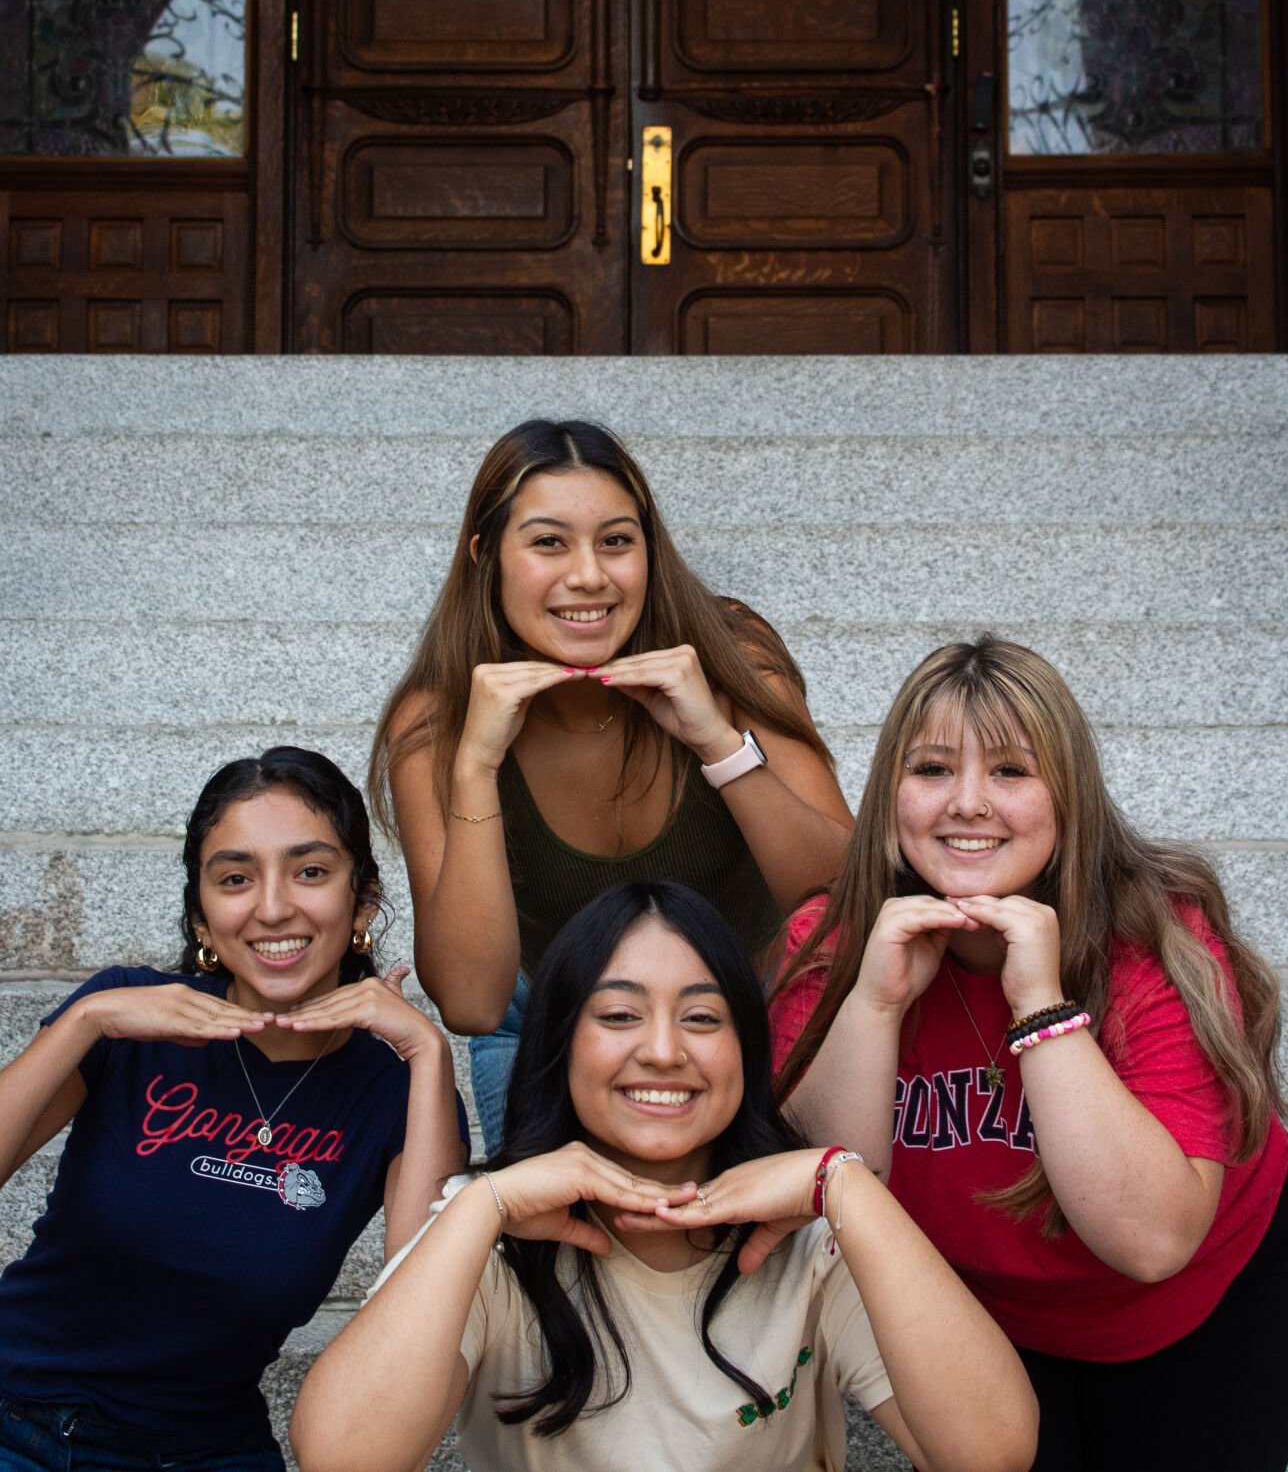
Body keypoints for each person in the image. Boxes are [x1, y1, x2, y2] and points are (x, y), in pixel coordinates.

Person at [290, 880, 1038, 1472]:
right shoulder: (485, 1229)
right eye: (618, 1016)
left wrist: (846, 1186)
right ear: (559, 1044)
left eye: (703, 1019)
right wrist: (482, 1205)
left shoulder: (811, 1237)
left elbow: (991, 1453)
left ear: (747, 1052)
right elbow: (345, 1456)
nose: (662, 1051)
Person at [769, 636, 1288, 1472]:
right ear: (890, 792)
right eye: (932, 769)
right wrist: (876, 1001)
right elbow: (840, 1194)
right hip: (987, 1319)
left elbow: (1153, 1243)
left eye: (1011, 772)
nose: (967, 802)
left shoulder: (1156, 939)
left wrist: (1040, 1005)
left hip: (1195, 1306)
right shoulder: (831, 947)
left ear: (1067, 796)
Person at [369, 419, 852, 1153]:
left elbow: (843, 894)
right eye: (548, 542)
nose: (590, 575)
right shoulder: (439, 718)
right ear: (484, 555)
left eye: (617, 541)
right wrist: (475, 769)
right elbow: (468, 1001)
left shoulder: (731, 654)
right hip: (548, 1025)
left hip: (751, 1009)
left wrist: (717, 743)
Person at [0, 746, 468, 1472]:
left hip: (205, 1453)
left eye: (310, 871)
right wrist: (86, 1019)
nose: (273, 906)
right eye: (235, 878)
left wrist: (430, 1055)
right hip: (15, 1422)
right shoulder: (127, 1019)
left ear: (363, 903)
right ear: (201, 912)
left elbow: (423, 1328)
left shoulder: (399, 1088)